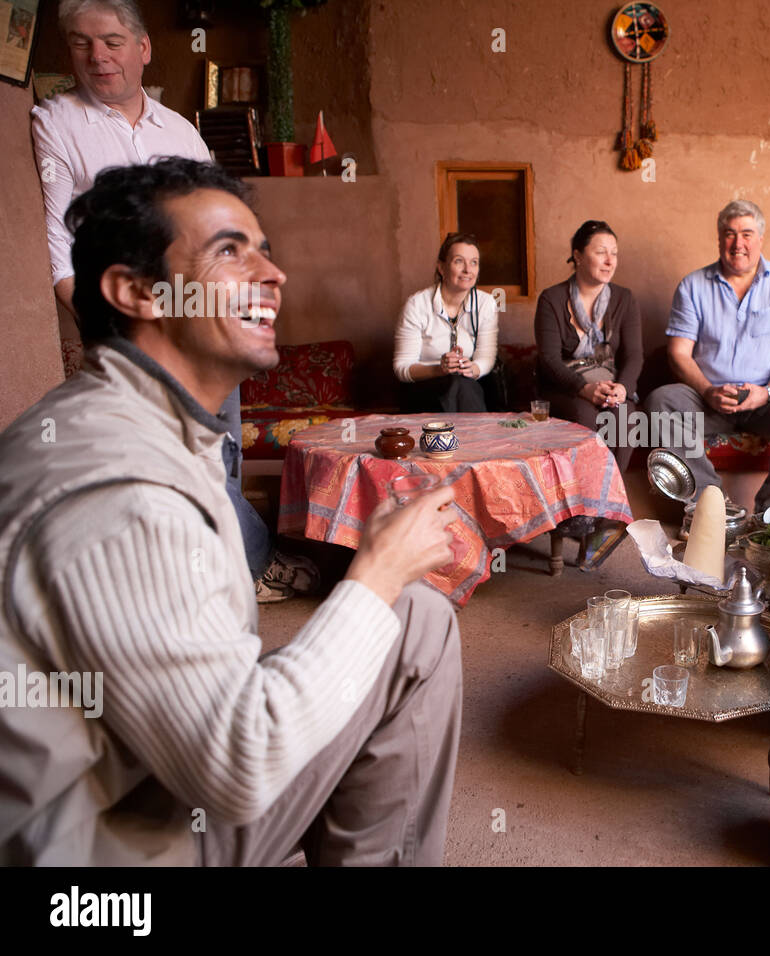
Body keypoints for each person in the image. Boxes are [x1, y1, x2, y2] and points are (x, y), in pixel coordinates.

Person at [0, 159, 463, 865]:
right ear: (137, 292)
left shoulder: (128, 422)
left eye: (264, 250)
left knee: (415, 620)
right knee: (397, 613)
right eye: (228, 250)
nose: (272, 275)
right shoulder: (117, 490)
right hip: (97, 862)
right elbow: (237, 766)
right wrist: (375, 572)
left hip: (136, 781)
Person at [31, 0, 314, 603]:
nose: (98, 56)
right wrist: (112, 331)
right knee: (172, 455)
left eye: (111, 41)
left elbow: (220, 226)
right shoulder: (54, 121)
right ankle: (247, 567)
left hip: (206, 310)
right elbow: (59, 247)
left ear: (143, 48)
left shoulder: (180, 130)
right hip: (135, 318)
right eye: (81, 43)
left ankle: (228, 568)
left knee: (223, 447)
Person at [644, 199, 770, 514]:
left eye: (746, 233)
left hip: (766, 400)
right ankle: (711, 506)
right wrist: (707, 391)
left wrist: (765, 392)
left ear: (760, 239)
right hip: (708, 399)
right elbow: (679, 354)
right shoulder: (692, 286)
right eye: (729, 234)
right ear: (719, 239)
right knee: (661, 401)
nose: (738, 243)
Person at [534, 220, 644, 470]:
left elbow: (634, 355)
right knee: (584, 416)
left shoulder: (624, 299)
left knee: (624, 415)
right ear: (578, 256)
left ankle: (612, 498)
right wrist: (583, 387)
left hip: (608, 383)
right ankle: (583, 498)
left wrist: (623, 389)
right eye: (601, 252)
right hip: (565, 388)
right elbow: (548, 359)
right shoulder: (551, 299)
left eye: (614, 253)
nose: (610, 261)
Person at [393, 232, 500, 413]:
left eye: (474, 262)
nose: (468, 270)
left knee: (462, 384)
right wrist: (439, 370)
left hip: (468, 387)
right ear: (442, 268)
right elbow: (402, 368)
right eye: (459, 261)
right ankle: (475, 438)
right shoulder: (417, 304)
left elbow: (486, 357)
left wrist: (472, 368)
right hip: (424, 389)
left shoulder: (486, 303)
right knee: (456, 384)